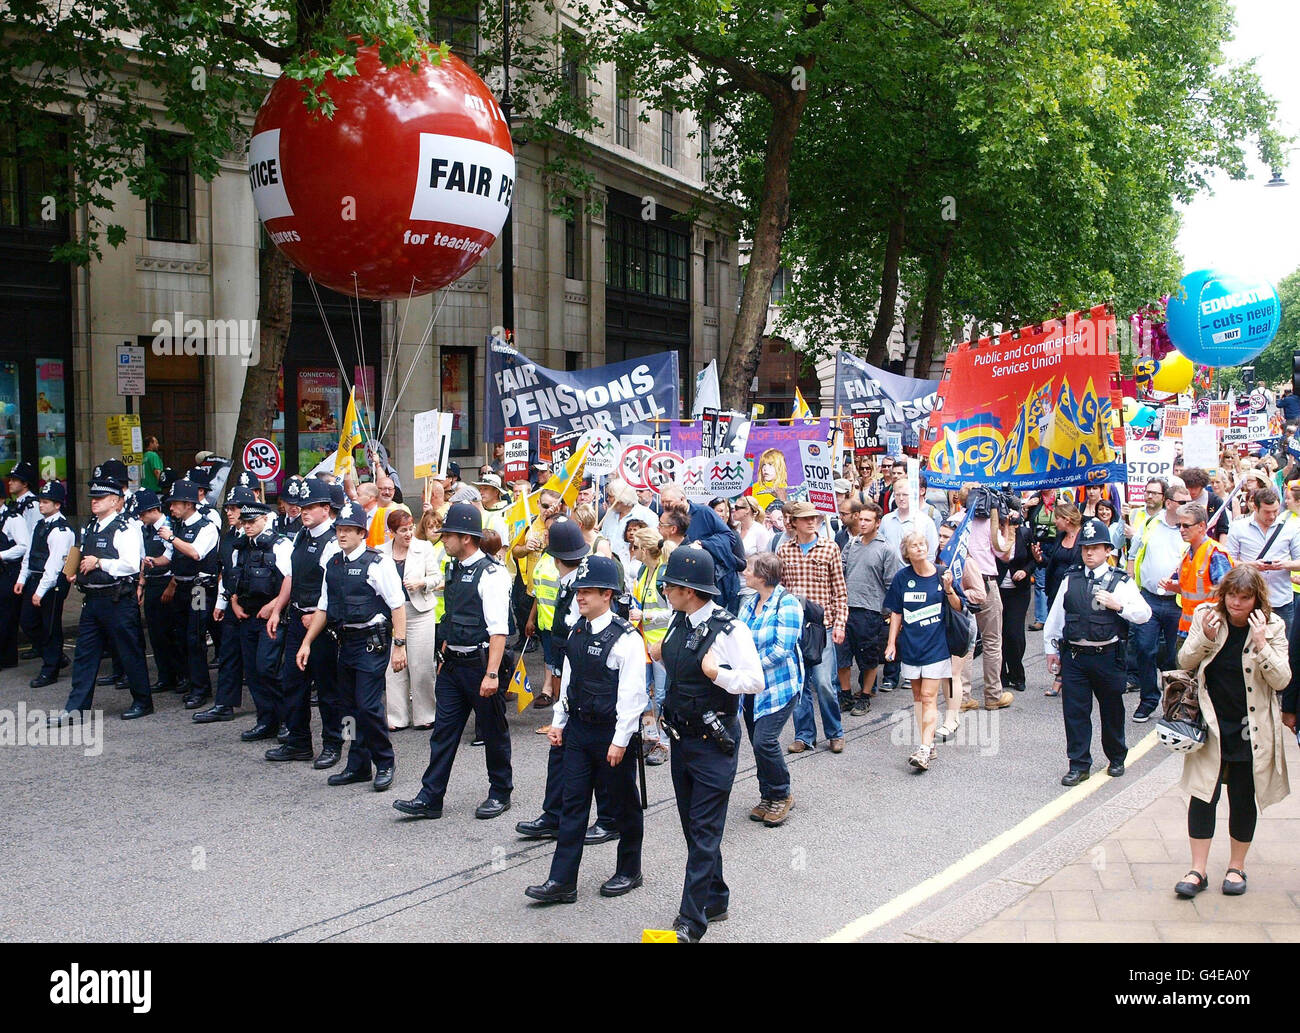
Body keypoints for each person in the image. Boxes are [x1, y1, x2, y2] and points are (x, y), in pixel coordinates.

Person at [648, 545, 763, 942]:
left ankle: (690, 921)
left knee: (703, 830)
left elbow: (754, 679)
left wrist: (719, 673)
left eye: (671, 584)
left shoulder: (729, 629)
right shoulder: (680, 620)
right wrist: (661, 656)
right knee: (693, 829)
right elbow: (681, 667)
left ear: (690, 590)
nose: (665, 589)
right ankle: (715, 897)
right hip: (682, 739)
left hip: (714, 744)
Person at [523, 555, 648, 904]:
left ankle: (629, 869)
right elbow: (570, 684)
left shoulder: (626, 639)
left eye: (588, 593)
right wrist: (559, 724)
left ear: (608, 595)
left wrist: (621, 740)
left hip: (611, 735)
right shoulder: (577, 630)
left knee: (624, 806)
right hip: (578, 731)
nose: (580, 598)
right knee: (573, 803)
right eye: (579, 592)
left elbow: (633, 696)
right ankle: (562, 881)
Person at [1174, 566, 1291, 898]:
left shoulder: (1272, 626)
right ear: (1223, 595)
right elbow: (1184, 660)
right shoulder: (1207, 616)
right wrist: (1205, 638)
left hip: (1249, 729)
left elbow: (1282, 680)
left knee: (1241, 797)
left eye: (1244, 598)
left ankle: (1236, 868)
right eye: (1231, 596)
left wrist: (1261, 645)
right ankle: (1197, 870)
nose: (1237, 604)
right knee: (1202, 795)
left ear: (1256, 599)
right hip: (1210, 724)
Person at [393, 502, 511, 817]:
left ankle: (500, 792)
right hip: (453, 663)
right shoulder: (453, 568)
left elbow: (499, 630)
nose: (443, 540)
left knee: (493, 731)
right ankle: (430, 798)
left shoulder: (493, 574)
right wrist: (444, 654)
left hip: (480, 663)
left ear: (466, 538)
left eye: (448, 535)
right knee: (443, 733)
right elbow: (453, 616)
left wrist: (492, 674)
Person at [297, 500, 407, 790]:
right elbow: (323, 607)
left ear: (362, 533)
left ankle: (384, 761)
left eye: (349, 530)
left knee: (368, 706)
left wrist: (400, 645)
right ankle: (356, 765)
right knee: (346, 707)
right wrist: (307, 643)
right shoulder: (332, 564)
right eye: (339, 529)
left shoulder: (377, 563)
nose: (342, 535)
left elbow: (397, 606)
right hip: (345, 642)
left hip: (372, 643)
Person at [1045, 518, 1152, 785]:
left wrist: (1119, 606)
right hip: (1075, 657)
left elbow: (1143, 614)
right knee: (1075, 713)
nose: (1089, 553)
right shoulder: (1071, 579)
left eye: (1095, 547)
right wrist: (1051, 650)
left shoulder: (1120, 581)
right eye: (1085, 548)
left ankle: (1116, 757)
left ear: (1107, 550)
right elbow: (1056, 617)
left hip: (1107, 656)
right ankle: (1079, 764)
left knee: (1111, 710)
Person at [52, 476, 153, 723]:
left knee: (129, 652)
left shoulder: (126, 527)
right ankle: (75, 708)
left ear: (116, 501)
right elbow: (82, 553)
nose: (94, 502)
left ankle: (142, 701)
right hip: (93, 600)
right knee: (85, 655)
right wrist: (74, 570)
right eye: (93, 498)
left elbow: (129, 564)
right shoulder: (92, 525)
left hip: (118, 599)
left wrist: (99, 562)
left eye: (100, 498)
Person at [260, 478, 346, 768]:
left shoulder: (332, 542)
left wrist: (319, 616)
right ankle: (298, 741)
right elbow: (292, 576)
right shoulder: (301, 536)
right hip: (298, 616)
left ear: (326, 509)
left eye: (311, 506)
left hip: (321, 623)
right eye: (302, 506)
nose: (304, 511)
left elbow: (336, 588)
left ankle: (333, 744)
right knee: (293, 682)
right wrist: (276, 609)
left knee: (327, 687)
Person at [884, 530, 966, 771]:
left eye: (922, 544)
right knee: (919, 698)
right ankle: (929, 744)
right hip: (911, 646)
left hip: (936, 646)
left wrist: (949, 588)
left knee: (929, 696)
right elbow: (896, 612)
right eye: (914, 545)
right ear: (907, 552)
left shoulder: (942, 574)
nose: (919, 548)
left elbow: (959, 607)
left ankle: (923, 748)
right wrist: (891, 643)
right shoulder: (902, 578)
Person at [226, 500, 295, 761]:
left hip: (271, 616)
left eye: (251, 522)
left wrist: (274, 607)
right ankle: (267, 719)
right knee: (254, 672)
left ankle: (289, 719)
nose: (247, 527)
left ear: (265, 520)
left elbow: (289, 580)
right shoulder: (240, 547)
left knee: (269, 668)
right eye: (244, 523)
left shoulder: (281, 545)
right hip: (247, 615)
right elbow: (233, 578)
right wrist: (232, 602)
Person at [737, 553, 802, 827]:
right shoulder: (749, 602)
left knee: (765, 741)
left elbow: (781, 650)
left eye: (749, 568)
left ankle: (782, 794)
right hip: (751, 687)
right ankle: (767, 795)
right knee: (757, 744)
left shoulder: (787, 604)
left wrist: (750, 667)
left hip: (779, 687)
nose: (744, 571)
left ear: (763, 576)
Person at [779, 501, 848, 754]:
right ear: (793, 522)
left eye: (814, 517)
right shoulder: (785, 551)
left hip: (823, 626)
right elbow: (781, 591)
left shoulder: (830, 548)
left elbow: (840, 592)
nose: (811, 521)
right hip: (795, 626)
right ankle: (804, 735)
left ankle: (835, 732)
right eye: (805, 518)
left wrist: (840, 624)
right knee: (799, 684)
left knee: (823, 683)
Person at [1127, 480, 1189, 716]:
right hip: (1149, 599)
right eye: (1183, 502)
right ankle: (1148, 698)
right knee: (1144, 648)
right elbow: (1134, 554)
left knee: (1176, 656)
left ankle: (1176, 703)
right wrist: (1132, 584)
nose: (1187, 505)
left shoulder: (1188, 528)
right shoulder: (1151, 523)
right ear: (1170, 503)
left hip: (1177, 602)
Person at [162, 478, 221, 710]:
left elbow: (196, 553)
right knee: (181, 636)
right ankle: (190, 681)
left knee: (195, 637)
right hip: (181, 586)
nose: (171, 508)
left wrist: (171, 538)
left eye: (175, 503)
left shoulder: (206, 527)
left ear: (188, 503)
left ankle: (201, 688)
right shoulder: (178, 527)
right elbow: (169, 557)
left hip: (199, 588)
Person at [380, 507, 439, 731]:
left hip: (420, 612)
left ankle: (426, 714)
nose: (408, 534)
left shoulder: (423, 548)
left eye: (410, 528)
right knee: (393, 667)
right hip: (393, 613)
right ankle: (396, 717)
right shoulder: (380, 552)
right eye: (403, 530)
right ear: (392, 532)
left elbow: (437, 577)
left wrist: (422, 582)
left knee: (421, 664)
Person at [838, 501, 898, 715]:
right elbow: (840, 570)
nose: (862, 523)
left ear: (877, 523)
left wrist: (890, 613)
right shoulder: (852, 544)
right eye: (860, 519)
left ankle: (865, 696)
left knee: (868, 657)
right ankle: (845, 695)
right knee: (842, 655)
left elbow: (891, 583)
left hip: (871, 610)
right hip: (845, 608)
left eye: (867, 520)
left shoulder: (886, 549)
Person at [18, 480, 73, 688]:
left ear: (57, 505)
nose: (41, 505)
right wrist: (22, 578)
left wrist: (40, 591)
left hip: (51, 582)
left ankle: (50, 670)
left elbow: (54, 565)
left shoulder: (62, 530)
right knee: (28, 622)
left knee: (50, 626)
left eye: (46, 502)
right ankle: (56, 658)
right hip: (35, 578)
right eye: (41, 501)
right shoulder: (40, 525)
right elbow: (30, 554)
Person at [963, 486, 1014, 712]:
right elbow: (1005, 553)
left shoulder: (955, 520)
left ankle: (962, 697)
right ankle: (993, 695)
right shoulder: (990, 523)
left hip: (961, 584)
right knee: (992, 641)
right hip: (985, 582)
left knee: (965, 643)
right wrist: (1006, 526)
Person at [659, 482, 746, 612]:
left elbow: (728, 536)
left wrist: (703, 544)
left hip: (713, 580)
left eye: (669, 501)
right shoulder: (665, 516)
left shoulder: (704, 512)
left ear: (682, 499)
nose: (665, 506)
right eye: (662, 502)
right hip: (684, 581)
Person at [936, 519, 986, 740]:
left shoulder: (966, 563)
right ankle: (951, 716)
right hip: (941, 622)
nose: (941, 541)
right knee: (943, 674)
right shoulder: (939, 560)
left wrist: (957, 594)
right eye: (940, 536)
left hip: (961, 622)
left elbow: (980, 595)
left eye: (946, 537)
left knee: (953, 673)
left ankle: (952, 718)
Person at [629, 526, 674, 765]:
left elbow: (674, 611)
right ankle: (649, 736)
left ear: (645, 550)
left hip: (661, 643)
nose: (632, 550)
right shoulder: (644, 572)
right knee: (644, 692)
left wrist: (645, 616)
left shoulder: (663, 575)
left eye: (635, 546)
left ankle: (664, 742)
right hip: (644, 642)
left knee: (662, 694)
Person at [0, 460, 36, 668]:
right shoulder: (15, 507)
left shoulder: (24, 510)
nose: (11, 482)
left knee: (13, 616)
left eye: (15, 479)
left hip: (17, 567)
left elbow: (28, 542)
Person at [997, 508, 1037, 693]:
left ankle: (1017, 674)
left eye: (1014, 519)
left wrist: (1026, 571)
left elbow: (1034, 559)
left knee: (1014, 633)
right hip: (998, 589)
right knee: (999, 633)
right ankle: (1001, 675)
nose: (1010, 523)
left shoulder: (1025, 533)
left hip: (1018, 591)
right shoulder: (994, 533)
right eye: (1007, 519)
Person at [599, 479, 657, 572]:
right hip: (607, 568)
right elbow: (603, 537)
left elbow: (653, 545)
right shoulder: (609, 514)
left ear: (621, 498)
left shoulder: (648, 516)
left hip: (633, 572)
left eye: (610, 496)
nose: (608, 499)